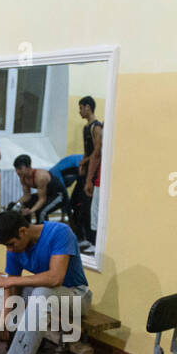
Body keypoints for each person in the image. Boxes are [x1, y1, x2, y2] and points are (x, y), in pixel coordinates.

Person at [0, 209, 91, 354]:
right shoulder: (16, 247)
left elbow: (56, 278)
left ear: (22, 231)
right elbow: (9, 285)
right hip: (48, 293)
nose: (9, 250)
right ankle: (23, 335)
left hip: (77, 296)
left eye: (11, 244)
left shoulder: (60, 233)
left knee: (41, 293)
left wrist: (12, 281)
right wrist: (4, 320)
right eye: (6, 246)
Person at [72, 96, 103, 253]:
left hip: (95, 172)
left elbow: (97, 153)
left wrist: (86, 164)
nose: (79, 111)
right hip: (87, 170)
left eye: (81, 108)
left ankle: (92, 240)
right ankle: (83, 238)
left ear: (88, 107)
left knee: (90, 207)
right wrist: (83, 165)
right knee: (75, 203)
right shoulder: (86, 127)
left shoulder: (97, 128)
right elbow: (87, 151)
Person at [11, 153, 69, 223]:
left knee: (41, 212)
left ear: (29, 167)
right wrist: (15, 206)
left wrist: (31, 211)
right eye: (16, 169)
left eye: (20, 169)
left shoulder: (40, 176)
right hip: (47, 195)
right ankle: (27, 229)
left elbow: (42, 199)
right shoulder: (23, 178)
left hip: (59, 196)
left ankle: (43, 232)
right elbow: (27, 196)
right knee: (24, 205)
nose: (18, 172)